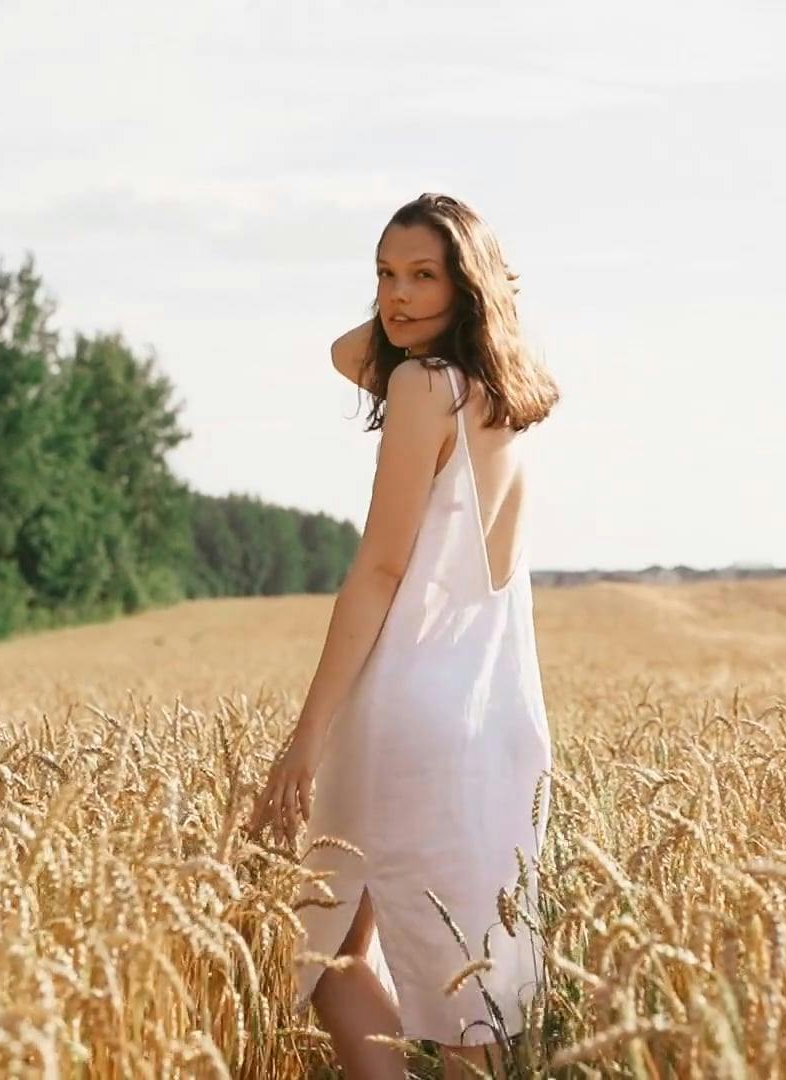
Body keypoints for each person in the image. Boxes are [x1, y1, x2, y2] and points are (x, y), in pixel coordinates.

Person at [245, 193, 560, 1079]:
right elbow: (354, 350)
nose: (395, 296)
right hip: (491, 722)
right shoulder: (499, 401)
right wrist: (450, 293)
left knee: (329, 950)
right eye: (385, 274)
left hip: (403, 712)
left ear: (468, 285)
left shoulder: (423, 387)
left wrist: (303, 743)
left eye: (424, 274)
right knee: (473, 1000)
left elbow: (381, 571)